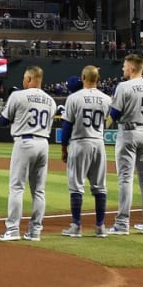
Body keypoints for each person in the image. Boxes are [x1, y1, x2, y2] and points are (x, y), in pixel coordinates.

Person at [0, 66, 56, 242]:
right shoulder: (51, 101)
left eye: (25, 78)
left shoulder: (18, 96)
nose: (23, 81)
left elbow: (3, 121)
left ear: (30, 79)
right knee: (39, 191)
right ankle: (35, 232)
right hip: (44, 143)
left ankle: (13, 229)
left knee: (17, 188)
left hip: (24, 142)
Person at [108, 54, 143, 235]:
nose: (123, 69)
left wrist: (103, 126)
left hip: (129, 132)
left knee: (125, 179)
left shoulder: (124, 86)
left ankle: (122, 224)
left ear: (132, 68)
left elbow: (114, 114)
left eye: (124, 66)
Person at [60, 65, 109, 237]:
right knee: (100, 187)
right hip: (99, 142)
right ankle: (100, 227)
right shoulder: (106, 98)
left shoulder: (74, 98)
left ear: (83, 77)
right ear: (98, 79)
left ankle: (76, 226)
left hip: (80, 143)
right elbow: (109, 121)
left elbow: (67, 126)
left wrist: (63, 147)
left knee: (76, 187)